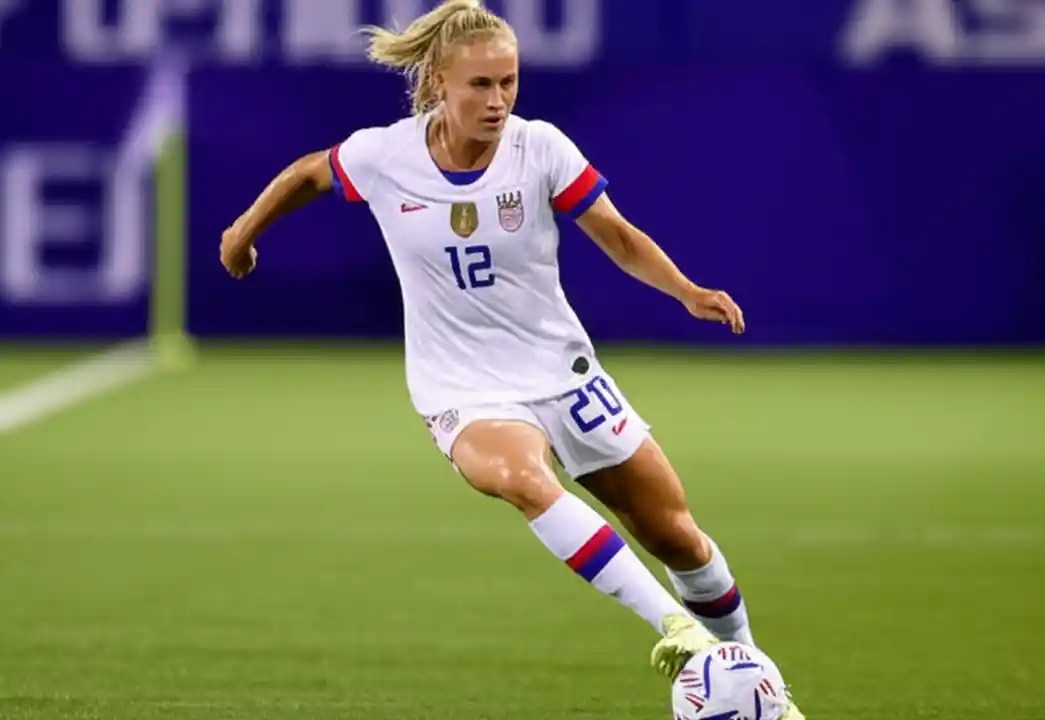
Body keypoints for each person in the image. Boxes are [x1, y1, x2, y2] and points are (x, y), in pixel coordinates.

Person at [219, 1, 802, 717]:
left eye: (509, 82)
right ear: (437, 81)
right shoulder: (385, 156)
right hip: (460, 386)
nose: (498, 101)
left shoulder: (540, 148)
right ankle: (674, 629)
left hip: (560, 370)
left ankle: (758, 687)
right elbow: (310, 173)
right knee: (524, 479)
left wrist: (684, 290)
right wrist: (243, 232)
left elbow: (616, 235)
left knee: (675, 534)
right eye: (481, 85)